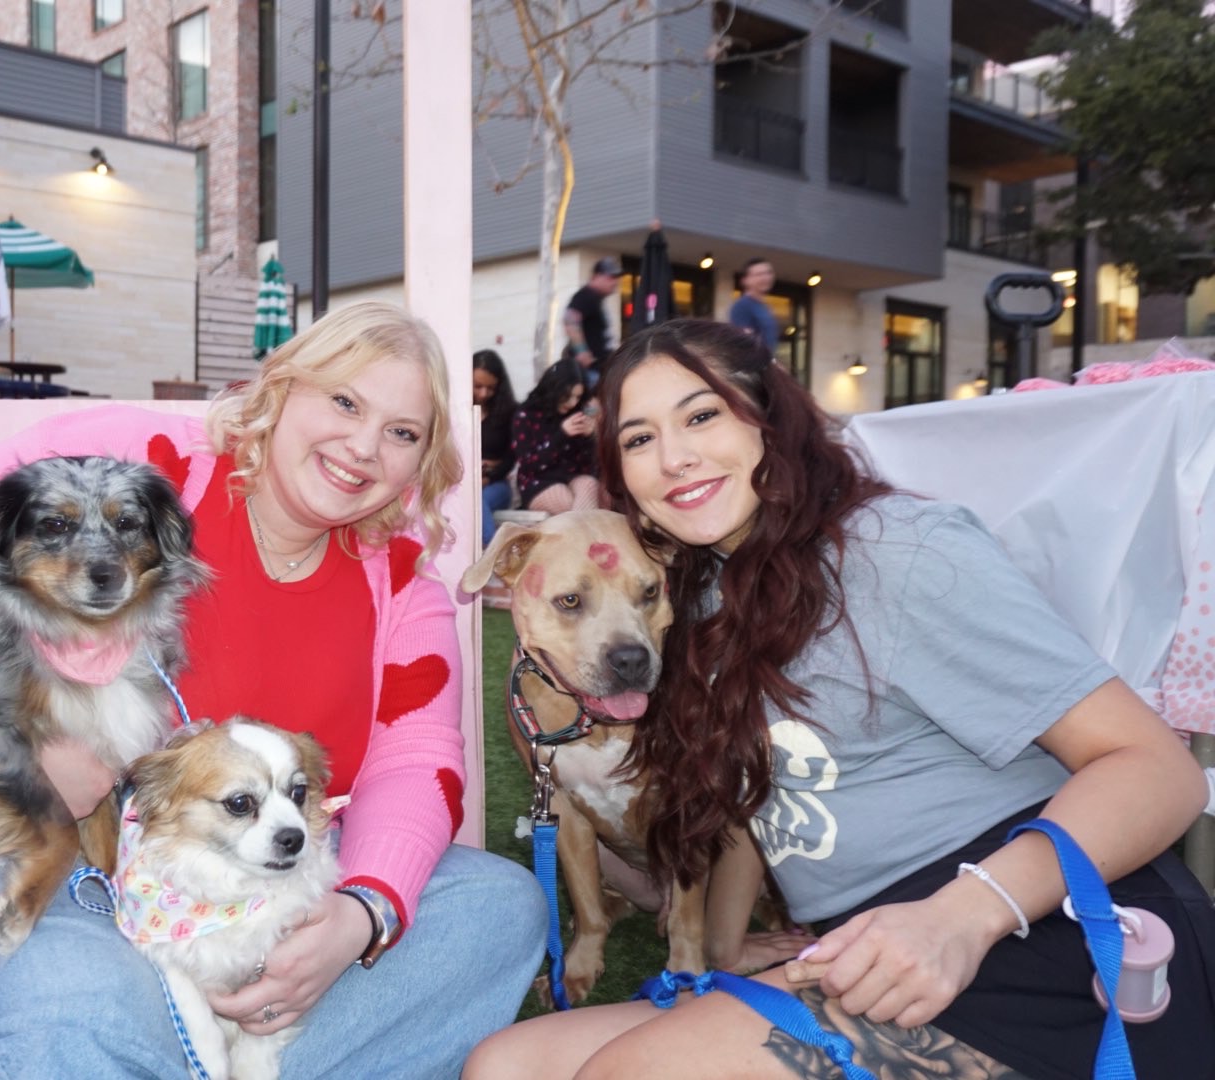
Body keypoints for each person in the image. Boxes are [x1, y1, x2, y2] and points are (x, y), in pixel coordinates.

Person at [0, 301, 547, 1079]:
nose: (363, 446)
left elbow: (416, 760)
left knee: (495, 908)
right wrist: (21, 748)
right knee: (64, 1010)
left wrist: (363, 914)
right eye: (344, 401)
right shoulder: (129, 465)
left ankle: (175, 1049)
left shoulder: (400, 581)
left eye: (402, 432)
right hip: (17, 852)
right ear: (280, 388)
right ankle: (155, 1037)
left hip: (250, 890)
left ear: (421, 464)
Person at [466, 319, 1215, 1079]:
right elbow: (747, 811)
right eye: (637, 439)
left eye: (702, 415)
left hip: (1039, 936)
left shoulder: (899, 552)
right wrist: (723, 953)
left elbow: (1159, 769)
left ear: (769, 416)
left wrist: (967, 914)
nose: (674, 456)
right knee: (504, 1067)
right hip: (866, 947)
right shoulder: (687, 598)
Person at [512, 358, 599, 515]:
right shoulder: (526, 414)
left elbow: (588, 466)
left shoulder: (577, 414)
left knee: (590, 484)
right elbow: (529, 465)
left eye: (577, 397)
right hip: (538, 482)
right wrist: (561, 435)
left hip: (572, 477)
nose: (572, 402)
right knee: (570, 505)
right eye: (567, 396)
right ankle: (587, 539)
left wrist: (590, 438)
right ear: (554, 389)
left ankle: (581, 539)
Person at [474, 348, 517, 546]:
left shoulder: (508, 412)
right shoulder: (456, 410)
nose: (483, 394)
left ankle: (491, 553)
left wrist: (489, 475)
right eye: (477, 386)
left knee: (478, 501)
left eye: (490, 388)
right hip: (464, 482)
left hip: (497, 483)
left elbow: (511, 457)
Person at [563, 257, 623, 389]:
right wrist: (581, 351)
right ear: (597, 276)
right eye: (610, 277)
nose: (614, 282)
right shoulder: (586, 296)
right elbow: (570, 320)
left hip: (599, 370)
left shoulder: (595, 299)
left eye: (616, 277)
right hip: (590, 372)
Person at [727, 257, 779, 354]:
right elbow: (743, 343)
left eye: (768, 273)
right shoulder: (742, 306)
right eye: (759, 274)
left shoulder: (765, 308)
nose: (765, 278)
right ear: (745, 280)